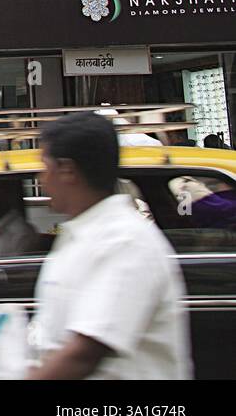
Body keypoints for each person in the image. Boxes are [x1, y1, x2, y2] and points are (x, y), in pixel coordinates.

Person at [28, 112, 191, 379]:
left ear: (67, 170)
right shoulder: (79, 236)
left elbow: (83, 354)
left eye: (45, 166)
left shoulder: (124, 241)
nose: (42, 178)